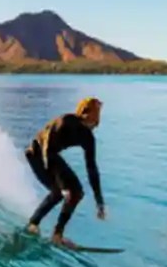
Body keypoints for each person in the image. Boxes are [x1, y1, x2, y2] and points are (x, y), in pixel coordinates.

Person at [24, 97, 106, 248]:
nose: (98, 119)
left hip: (50, 157)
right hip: (37, 154)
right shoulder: (66, 121)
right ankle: (52, 232)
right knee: (68, 191)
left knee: (69, 193)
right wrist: (62, 185)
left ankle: (40, 227)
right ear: (87, 113)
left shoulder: (88, 137)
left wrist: (99, 201)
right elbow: (47, 147)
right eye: (97, 113)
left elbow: (92, 168)